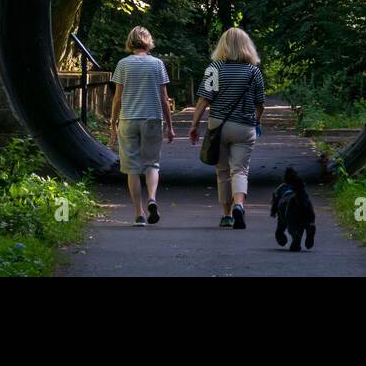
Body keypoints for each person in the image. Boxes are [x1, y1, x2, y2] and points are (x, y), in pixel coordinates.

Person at [188, 26, 265, 229]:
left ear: (223, 45)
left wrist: (194, 125)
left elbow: (204, 100)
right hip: (244, 127)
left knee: (222, 171)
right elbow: (260, 103)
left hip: (219, 126)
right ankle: (239, 205)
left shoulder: (215, 68)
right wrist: (257, 121)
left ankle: (226, 215)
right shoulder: (253, 71)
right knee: (240, 170)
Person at [108, 26, 175, 225]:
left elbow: (117, 98)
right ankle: (152, 199)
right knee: (152, 164)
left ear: (130, 42)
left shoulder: (122, 64)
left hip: (128, 120)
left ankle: (138, 213)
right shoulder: (157, 64)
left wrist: (113, 123)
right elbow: (164, 99)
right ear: (148, 42)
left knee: (132, 168)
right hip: (152, 119)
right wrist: (170, 126)